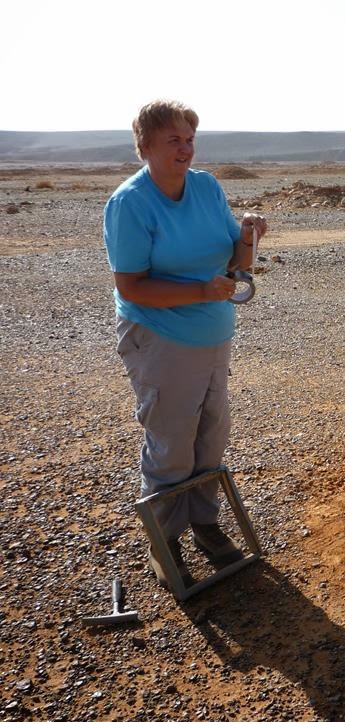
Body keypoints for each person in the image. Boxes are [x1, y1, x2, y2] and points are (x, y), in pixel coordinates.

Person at [104, 100, 268, 587]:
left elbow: (236, 263)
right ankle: (165, 538)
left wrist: (248, 236)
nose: (185, 148)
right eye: (173, 139)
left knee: (210, 435)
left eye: (190, 138)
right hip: (161, 338)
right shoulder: (130, 203)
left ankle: (205, 525)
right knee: (172, 440)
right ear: (146, 145)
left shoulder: (206, 186)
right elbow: (130, 285)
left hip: (214, 333)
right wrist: (199, 290)